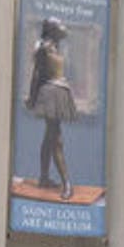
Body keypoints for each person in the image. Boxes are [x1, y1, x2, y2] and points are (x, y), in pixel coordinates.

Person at [26, 16, 76, 200]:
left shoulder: (56, 46)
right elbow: (36, 74)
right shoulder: (43, 48)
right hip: (50, 93)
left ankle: (44, 177)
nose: (62, 29)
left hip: (60, 91)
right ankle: (66, 183)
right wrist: (32, 97)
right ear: (52, 29)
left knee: (50, 136)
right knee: (57, 139)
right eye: (59, 27)